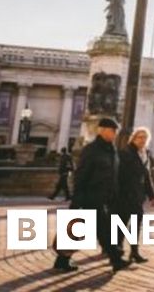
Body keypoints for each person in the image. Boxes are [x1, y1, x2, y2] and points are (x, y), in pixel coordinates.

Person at [52, 117, 130, 273]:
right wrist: (76, 199)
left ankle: (62, 260)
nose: (115, 134)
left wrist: (115, 194)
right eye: (112, 130)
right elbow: (81, 175)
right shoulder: (92, 150)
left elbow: (113, 175)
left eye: (116, 131)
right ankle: (116, 259)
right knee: (103, 230)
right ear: (102, 130)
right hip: (91, 197)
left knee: (89, 230)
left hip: (105, 198)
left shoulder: (112, 150)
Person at [116, 126, 154, 264]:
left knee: (135, 225)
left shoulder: (146, 154)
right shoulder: (126, 153)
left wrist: (152, 195)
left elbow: (147, 176)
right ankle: (117, 253)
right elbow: (119, 175)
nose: (142, 140)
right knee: (121, 225)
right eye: (140, 137)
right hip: (124, 195)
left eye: (145, 137)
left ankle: (134, 252)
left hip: (138, 196)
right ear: (133, 138)